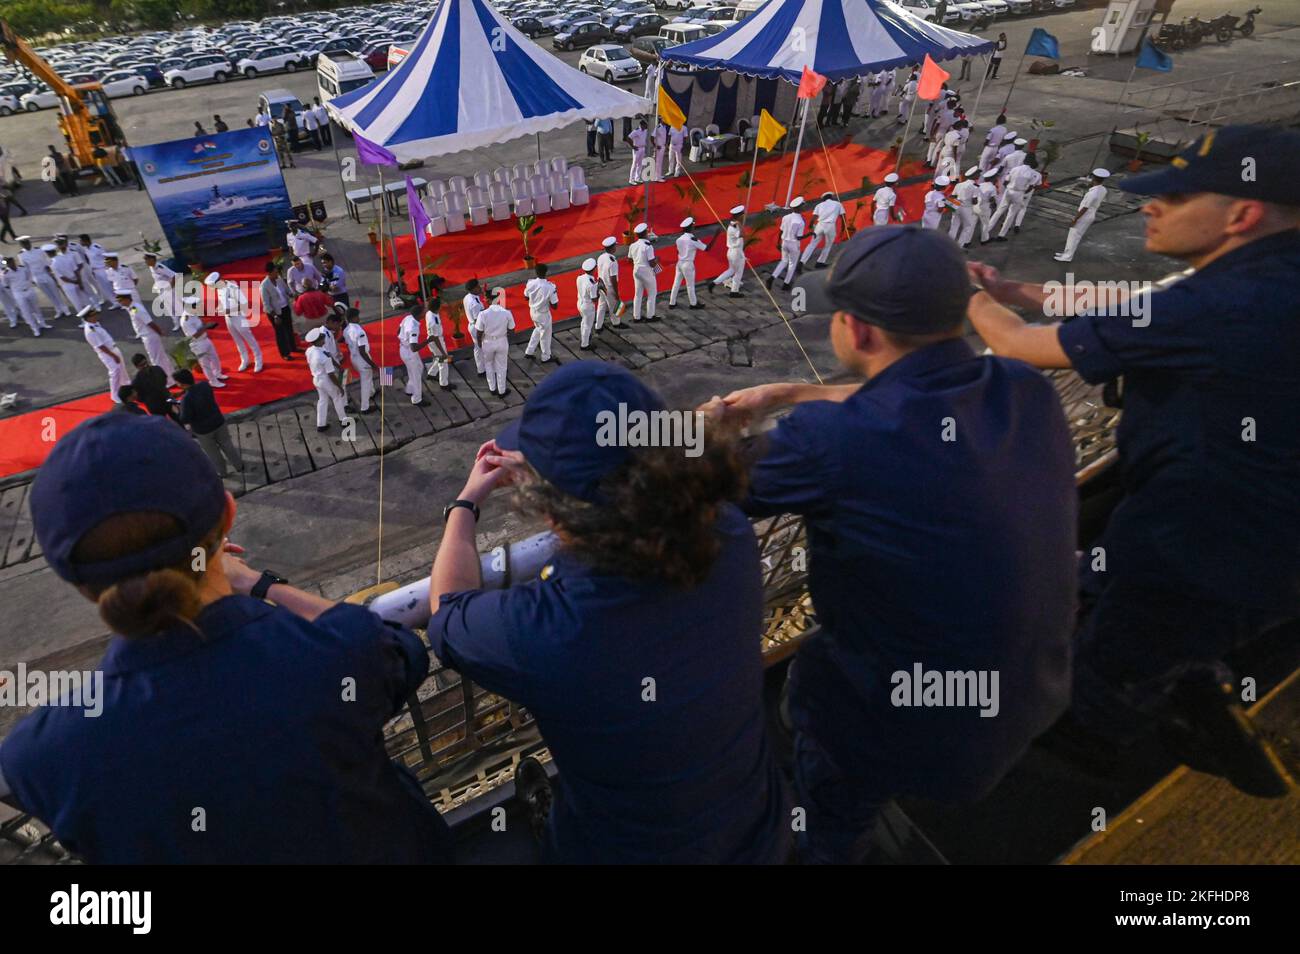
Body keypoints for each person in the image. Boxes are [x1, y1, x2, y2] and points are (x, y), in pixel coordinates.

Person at [707, 226, 1076, 863]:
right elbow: (917, 400)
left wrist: (709, 434)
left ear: (861, 331)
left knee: (817, 730)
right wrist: (796, 393)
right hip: (1032, 696)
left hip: (899, 728)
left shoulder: (830, 441)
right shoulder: (1026, 388)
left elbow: (679, 490)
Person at [966, 124, 1300, 754]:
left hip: (1203, 541)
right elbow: (1138, 304)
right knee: (1173, 633)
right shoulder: (1269, 276)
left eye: (1175, 199)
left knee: (1111, 670)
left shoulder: (1222, 302)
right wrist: (1021, 293)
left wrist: (972, 296)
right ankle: (1195, 682)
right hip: (1259, 541)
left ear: (1243, 213)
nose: (1150, 205)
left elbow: (1019, 346)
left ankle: (1085, 751)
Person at [0, 414, 453, 863]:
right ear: (228, 513)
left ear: (73, 580)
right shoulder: (337, 654)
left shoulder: (40, 755)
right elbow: (401, 647)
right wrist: (259, 583)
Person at [425, 362, 791, 863]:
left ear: (551, 509)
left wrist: (465, 504)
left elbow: (447, 610)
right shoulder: (726, 529)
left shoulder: (549, 627)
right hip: (754, 830)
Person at [174, 368, 242, 475]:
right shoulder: (205, 385)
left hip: (204, 431)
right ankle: (239, 465)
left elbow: (185, 418)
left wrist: (178, 411)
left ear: (181, 383)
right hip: (218, 421)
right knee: (228, 445)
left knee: (213, 453)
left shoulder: (186, 400)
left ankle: (222, 473)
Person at [205, 271, 262, 373]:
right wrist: (220, 308)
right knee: (237, 340)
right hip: (228, 318)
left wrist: (230, 310)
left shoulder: (233, 288)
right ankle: (245, 360)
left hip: (239, 317)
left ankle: (258, 360)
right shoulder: (220, 289)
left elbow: (245, 305)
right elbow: (223, 303)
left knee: (250, 339)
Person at [1055, 168, 1111, 263]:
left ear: (1094, 178)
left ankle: (1067, 256)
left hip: (1085, 215)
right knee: (1073, 235)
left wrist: (1075, 219)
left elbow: (1085, 208)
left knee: (1074, 236)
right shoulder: (1103, 189)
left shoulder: (1093, 193)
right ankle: (1066, 253)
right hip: (1091, 213)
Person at [123, 293, 176, 387]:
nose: (120, 302)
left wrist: (160, 331)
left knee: (157, 360)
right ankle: (171, 377)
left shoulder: (136, 308)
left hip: (149, 336)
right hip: (147, 335)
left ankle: (168, 382)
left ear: (126, 299)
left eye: (121, 300)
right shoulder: (132, 308)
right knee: (161, 358)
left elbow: (149, 322)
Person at [80, 305, 128, 403]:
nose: (96, 316)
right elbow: (100, 346)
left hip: (112, 349)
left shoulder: (95, 324)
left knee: (121, 369)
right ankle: (114, 394)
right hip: (107, 353)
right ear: (88, 318)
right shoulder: (90, 330)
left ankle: (125, 386)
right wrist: (113, 355)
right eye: (93, 315)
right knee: (114, 372)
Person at [990, 155, 1043, 241]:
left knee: (999, 211)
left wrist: (1009, 188)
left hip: (1009, 190)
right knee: (1011, 215)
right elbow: (1031, 187)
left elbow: (1006, 181)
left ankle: (986, 230)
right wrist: (1023, 192)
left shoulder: (1015, 169)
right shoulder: (1032, 173)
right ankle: (1001, 235)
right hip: (1019, 193)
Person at [474, 287, 514, 397]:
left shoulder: (483, 314)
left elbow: (479, 332)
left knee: (489, 365)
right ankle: (502, 391)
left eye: (485, 298)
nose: (484, 300)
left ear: (488, 299)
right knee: (501, 366)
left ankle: (492, 388)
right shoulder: (506, 312)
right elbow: (512, 330)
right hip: (502, 341)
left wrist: (479, 343)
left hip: (487, 342)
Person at [179, 296, 226, 387]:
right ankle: (213, 381)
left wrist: (206, 325)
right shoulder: (186, 320)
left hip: (205, 339)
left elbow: (200, 322)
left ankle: (217, 374)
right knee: (205, 364)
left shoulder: (193, 313)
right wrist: (207, 327)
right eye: (196, 305)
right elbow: (195, 335)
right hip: (197, 344)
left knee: (214, 357)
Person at [18, 237, 69, 318]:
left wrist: (51, 272)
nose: (26, 246)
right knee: (48, 294)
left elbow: (46, 261)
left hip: (45, 273)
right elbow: (26, 268)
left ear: (29, 243)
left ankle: (65, 309)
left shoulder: (38, 250)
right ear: (21, 245)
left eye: (27, 243)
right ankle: (58, 310)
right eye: (23, 244)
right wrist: (30, 279)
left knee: (55, 292)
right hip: (36, 277)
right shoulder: (21, 255)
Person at [668, 217, 707, 311]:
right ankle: (693, 304)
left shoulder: (679, 239)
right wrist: (716, 236)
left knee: (676, 283)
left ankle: (672, 303)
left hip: (680, 263)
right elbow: (706, 248)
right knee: (690, 285)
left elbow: (678, 252)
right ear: (691, 227)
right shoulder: (693, 240)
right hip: (688, 264)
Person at [260, 261, 296, 360]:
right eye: (275, 272)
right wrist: (275, 316)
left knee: (289, 328)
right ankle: (285, 354)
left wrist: (293, 295)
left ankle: (293, 347)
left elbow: (287, 291)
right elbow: (266, 304)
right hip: (275, 313)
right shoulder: (264, 286)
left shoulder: (279, 280)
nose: (277, 274)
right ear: (269, 273)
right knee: (280, 333)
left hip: (285, 308)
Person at [523, 262, 559, 362]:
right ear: (546, 272)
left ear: (536, 272)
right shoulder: (550, 287)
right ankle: (546, 357)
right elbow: (555, 306)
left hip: (532, 312)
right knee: (546, 335)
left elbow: (525, 297)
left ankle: (529, 351)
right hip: (543, 314)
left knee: (538, 329)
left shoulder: (530, 283)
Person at [801, 192, 846, 268]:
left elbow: (813, 218)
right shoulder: (838, 204)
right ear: (831, 197)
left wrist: (810, 226)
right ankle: (820, 262)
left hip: (820, 225)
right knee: (828, 245)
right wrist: (843, 228)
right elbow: (843, 217)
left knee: (812, 244)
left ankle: (802, 262)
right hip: (830, 226)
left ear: (823, 199)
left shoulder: (819, 205)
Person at [769, 197, 806, 291]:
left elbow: (781, 230)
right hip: (794, 244)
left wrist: (778, 242)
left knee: (783, 261)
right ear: (799, 207)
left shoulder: (786, 217)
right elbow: (799, 237)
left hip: (784, 242)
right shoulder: (800, 221)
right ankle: (786, 283)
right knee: (792, 264)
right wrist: (810, 234)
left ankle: (772, 277)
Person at [0, 257, 43, 335]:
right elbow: (6, 282)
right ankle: (16, 321)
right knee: (8, 304)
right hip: (14, 288)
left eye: (12, 262)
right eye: (10, 263)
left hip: (23, 288)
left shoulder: (1, 258)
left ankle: (40, 323)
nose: (12, 263)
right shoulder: (6, 273)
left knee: (33, 307)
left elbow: (4, 264)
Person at [711, 205, 747, 297]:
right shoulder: (735, 226)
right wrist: (740, 224)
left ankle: (714, 283)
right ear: (739, 216)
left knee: (731, 270)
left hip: (732, 251)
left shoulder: (733, 224)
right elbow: (743, 234)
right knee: (739, 272)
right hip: (736, 252)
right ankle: (734, 292)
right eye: (742, 214)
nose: (744, 215)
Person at [130, 352, 177, 420]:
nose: (145, 366)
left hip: (167, 399)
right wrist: (148, 400)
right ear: (137, 367)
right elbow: (138, 397)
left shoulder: (157, 369)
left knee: (177, 418)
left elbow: (164, 380)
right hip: (154, 406)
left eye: (145, 363)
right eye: (142, 365)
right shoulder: (136, 381)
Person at [627, 222, 659, 321]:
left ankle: (636, 317)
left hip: (636, 270)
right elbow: (652, 263)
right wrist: (657, 260)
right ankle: (650, 316)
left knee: (638, 294)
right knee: (652, 293)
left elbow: (629, 260)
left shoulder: (632, 245)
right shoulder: (648, 246)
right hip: (647, 271)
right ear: (645, 233)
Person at [49, 241, 91, 313]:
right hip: (76, 280)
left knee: (77, 303)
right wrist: (79, 282)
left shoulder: (53, 263)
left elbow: (62, 278)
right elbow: (76, 270)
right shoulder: (66, 258)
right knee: (85, 300)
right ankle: (93, 315)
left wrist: (74, 282)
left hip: (68, 284)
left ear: (48, 254)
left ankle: (85, 320)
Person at [397, 304, 427, 407]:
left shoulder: (407, 318)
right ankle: (417, 399)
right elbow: (414, 347)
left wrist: (403, 339)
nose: (425, 312)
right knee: (416, 375)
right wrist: (428, 341)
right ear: (419, 314)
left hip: (403, 349)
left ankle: (410, 389)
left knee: (418, 368)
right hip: (410, 352)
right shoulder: (414, 327)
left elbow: (398, 331)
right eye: (424, 311)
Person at [422, 298, 453, 390]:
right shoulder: (433, 322)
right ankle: (444, 384)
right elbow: (435, 338)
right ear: (438, 307)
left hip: (434, 339)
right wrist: (443, 352)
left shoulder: (430, 313)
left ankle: (431, 373)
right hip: (436, 341)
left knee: (438, 357)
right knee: (443, 361)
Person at [948, 166, 981, 249]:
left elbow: (952, 196)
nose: (979, 175)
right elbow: (974, 201)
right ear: (974, 176)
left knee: (954, 226)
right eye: (978, 173)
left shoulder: (959, 184)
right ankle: (959, 246)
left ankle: (948, 245)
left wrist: (952, 207)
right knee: (967, 227)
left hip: (957, 205)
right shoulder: (975, 187)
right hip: (967, 208)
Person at [461, 278, 486, 375]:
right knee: (486, 347)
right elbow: (479, 320)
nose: (480, 288)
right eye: (478, 287)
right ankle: (489, 369)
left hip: (471, 325)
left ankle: (481, 369)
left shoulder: (467, 297)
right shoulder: (475, 304)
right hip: (478, 327)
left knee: (478, 349)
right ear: (473, 289)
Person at [576, 257, 602, 349]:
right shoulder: (592, 284)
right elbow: (594, 299)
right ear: (593, 269)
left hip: (580, 303)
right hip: (587, 306)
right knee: (588, 325)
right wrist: (599, 289)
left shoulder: (579, 278)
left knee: (584, 322)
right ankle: (585, 344)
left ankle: (584, 337)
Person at [596, 236, 622, 324]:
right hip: (609, 287)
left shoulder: (601, 257)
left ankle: (598, 325)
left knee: (601, 305)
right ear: (612, 247)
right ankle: (616, 323)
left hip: (601, 284)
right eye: (615, 245)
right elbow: (613, 279)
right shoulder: (613, 261)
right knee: (614, 306)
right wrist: (616, 293)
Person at [628, 120, 648, 185]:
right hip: (637, 149)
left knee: (640, 164)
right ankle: (631, 179)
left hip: (642, 148)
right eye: (645, 125)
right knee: (634, 164)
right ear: (641, 125)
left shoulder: (645, 130)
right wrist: (633, 146)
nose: (646, 126)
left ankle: (637, 178)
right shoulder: (636, 131)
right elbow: (628, 138)